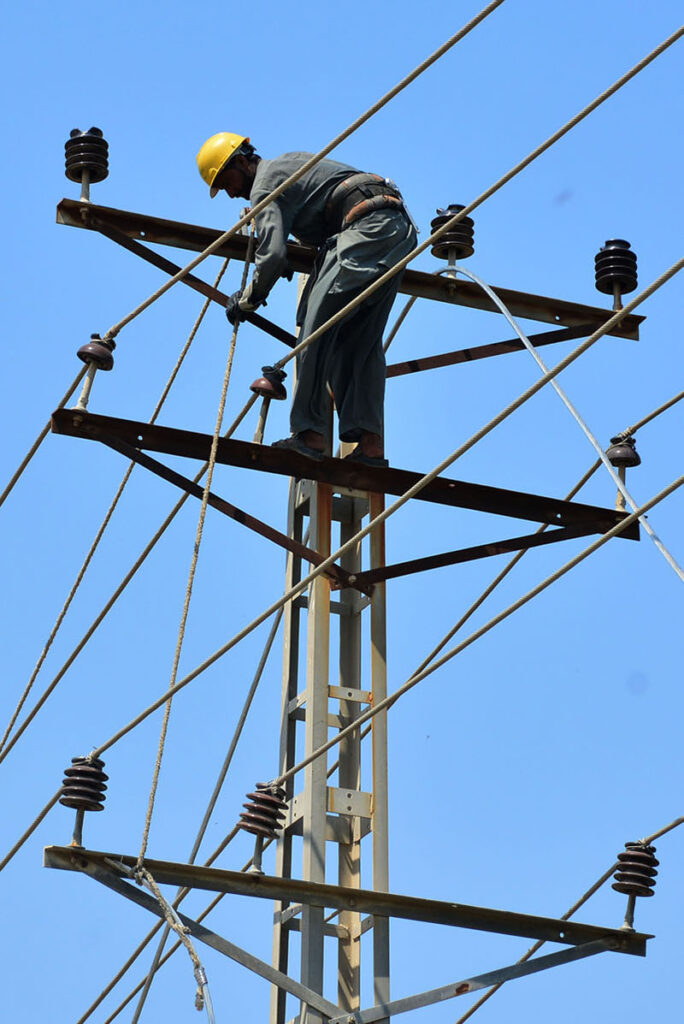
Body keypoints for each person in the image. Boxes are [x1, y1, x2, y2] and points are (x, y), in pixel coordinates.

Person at [197, 132, 417, 466]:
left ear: (242, 162)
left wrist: (247, 299)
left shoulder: (264, 185)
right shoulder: (289, 165)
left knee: (313, 331)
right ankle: (370, 446)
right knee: (357, 342)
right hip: (395, 230)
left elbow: (270, 256)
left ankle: (310, 435)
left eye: (226, 181)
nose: (229, 193)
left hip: (366, 228)